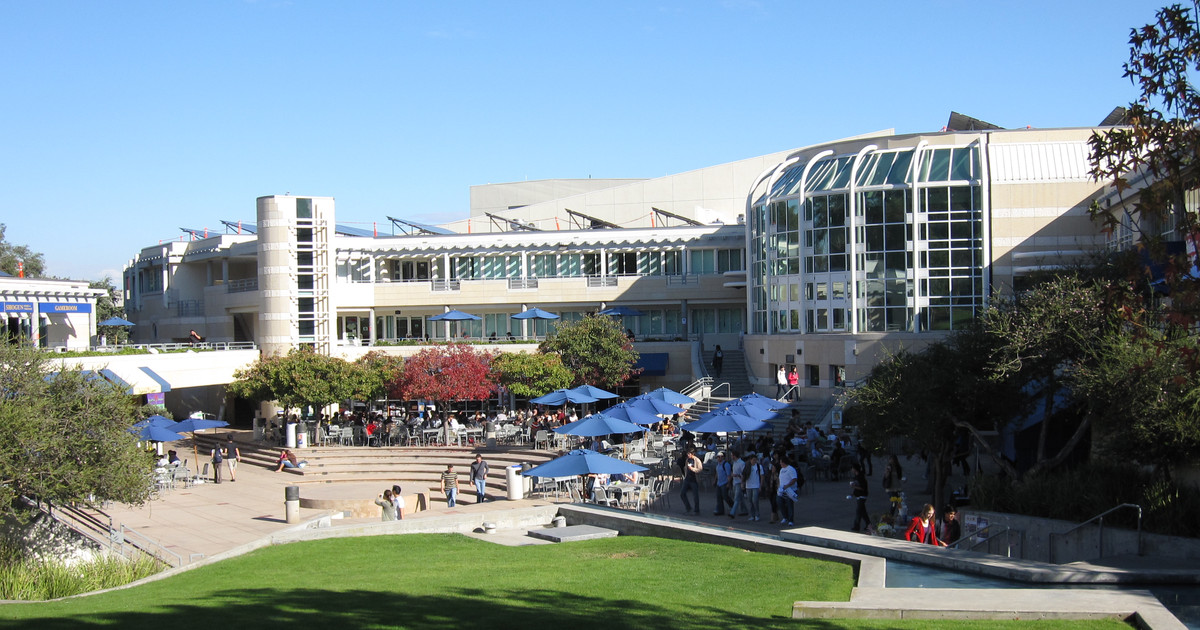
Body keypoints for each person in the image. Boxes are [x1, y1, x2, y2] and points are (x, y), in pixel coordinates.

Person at [678, 446, 702, 515]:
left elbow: (700, 469)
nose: (687, 455)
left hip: (694, 480)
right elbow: (685, 468)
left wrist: (692, 469)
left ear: (692, 454)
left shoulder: (697, 460)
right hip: (687, 479)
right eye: (687, 454)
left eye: (689, 454)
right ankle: (688, 507)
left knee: (695, 496)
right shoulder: (687, 460)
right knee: (682, 494)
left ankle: (696, 510)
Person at [776, 453, 798, 526]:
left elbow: (794, 479)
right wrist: (779, 486)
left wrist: (788, 485)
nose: (780, 463)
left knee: (789, 504)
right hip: (782, 490)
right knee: (780, 503)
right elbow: (780, 479)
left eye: (781, 462)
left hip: (790, 490)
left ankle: (791, 520)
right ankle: (785, 517)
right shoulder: (781, 469)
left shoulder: (791, 469)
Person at [849, 462, 870, 532]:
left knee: (858, 511)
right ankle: (868, 525)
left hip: (862, 495)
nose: (851, 470)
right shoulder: (856, 476)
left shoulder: (860, 477)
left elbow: (862, 488)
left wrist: (854, 486)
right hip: (859, 495)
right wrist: (853, 493)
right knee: (863, 512)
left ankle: (856, 526)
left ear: (855, 469)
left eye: (852, 468)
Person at [744, 452, 763, 522]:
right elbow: (744, 474)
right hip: (748, 486)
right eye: (753, 460)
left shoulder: (759, 466)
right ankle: (752, 515)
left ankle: (757, 515)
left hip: (756, 485)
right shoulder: (747, 466)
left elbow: (762, 476)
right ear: (750, 460)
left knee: (755, 500)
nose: (754, 461)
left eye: (755, 460)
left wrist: (760, 485)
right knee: (750, 501)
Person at [728, 451, 746, 519]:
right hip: (735, 482)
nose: (731, 457)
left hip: (739, 482)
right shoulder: (734, 463)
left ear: (734, 456)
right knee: (740, 497)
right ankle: (744, 509)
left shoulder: (741, 463)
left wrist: (738, 476)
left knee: (736, 498)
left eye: (732, 455)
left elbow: (743, 474)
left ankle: (732, 512)